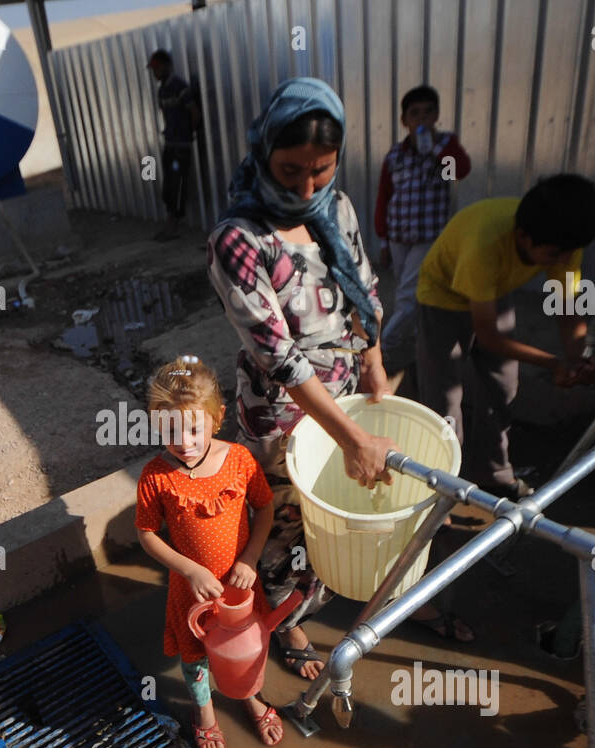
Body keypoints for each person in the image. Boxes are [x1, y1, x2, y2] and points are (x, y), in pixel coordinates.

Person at [207, 77, 475, 652]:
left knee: (344, 515)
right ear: (262, 154)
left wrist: (373, 363)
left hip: (346, 391)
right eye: (290, 171)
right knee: (283, 519)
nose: (307, 187)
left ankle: (355, 593)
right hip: (281, 410)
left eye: (322, 168)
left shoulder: (338, 208)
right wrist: (353, 437)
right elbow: (276, 354)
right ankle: (285, 620)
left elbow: (364, 292)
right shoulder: (239, 239)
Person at [414, 174, 595, 499]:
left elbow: (568, 311)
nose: (562, 261)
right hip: (441, 299)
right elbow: (490, 337)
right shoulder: (485, 244)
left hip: (492, 293)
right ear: (522, 236)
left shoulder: (562, 241)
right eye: (553, 255)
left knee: (503, 389)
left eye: (568, 254)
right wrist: (555, 363)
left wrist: (578, 362)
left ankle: (492, 474)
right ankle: (439, 493)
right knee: (445, 402)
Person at [136, 357, 282, 748]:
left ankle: (249, 695)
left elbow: (265, 508)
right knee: (196, 655)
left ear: (217, 419)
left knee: (245, 647)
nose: (183, 441)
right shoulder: (156, 476)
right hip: (192, 593)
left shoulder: (238, 460)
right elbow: (147, 534)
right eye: (169, 431)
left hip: (239, 589)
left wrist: (250, 560)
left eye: (194, 429)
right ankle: (205, 713)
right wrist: (189, 569)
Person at [373, 84, 472, 382]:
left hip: (429, 237)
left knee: (406, 296)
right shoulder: (396, 156)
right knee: (411, 293)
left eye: (428, 112)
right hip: (400, 236)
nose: (421, 119)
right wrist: (383, 238)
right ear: (404, 120)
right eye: (414, 114)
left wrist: (437, 149)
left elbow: (459, 171)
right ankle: (421, 342)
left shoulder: (444, 148)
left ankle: (382, 347)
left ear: (437, 115)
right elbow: (385, 196)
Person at [147, 49, 201, 241]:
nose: (155, 73)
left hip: (181, 145)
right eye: (153, 69)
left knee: (177, 183)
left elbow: (194, 112)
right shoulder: (162, 90)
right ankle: (170, 221)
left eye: (157, 68)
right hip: (170, 143)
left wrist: (189, 133)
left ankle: (174, 225)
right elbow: (164, 113)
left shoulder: (180, 86)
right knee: (168, 184)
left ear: (167, 66)